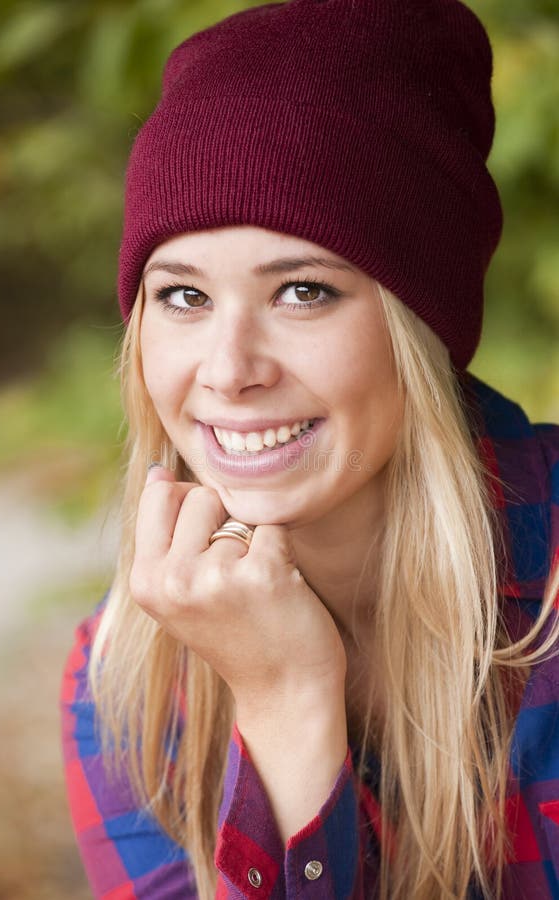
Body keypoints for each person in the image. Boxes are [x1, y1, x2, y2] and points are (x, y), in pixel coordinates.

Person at [60, 0, 559, 897]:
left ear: (421, 327)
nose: (228, 369)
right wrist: (284, 702)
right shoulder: (123, 680)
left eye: (300, 291)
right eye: (182, 297)